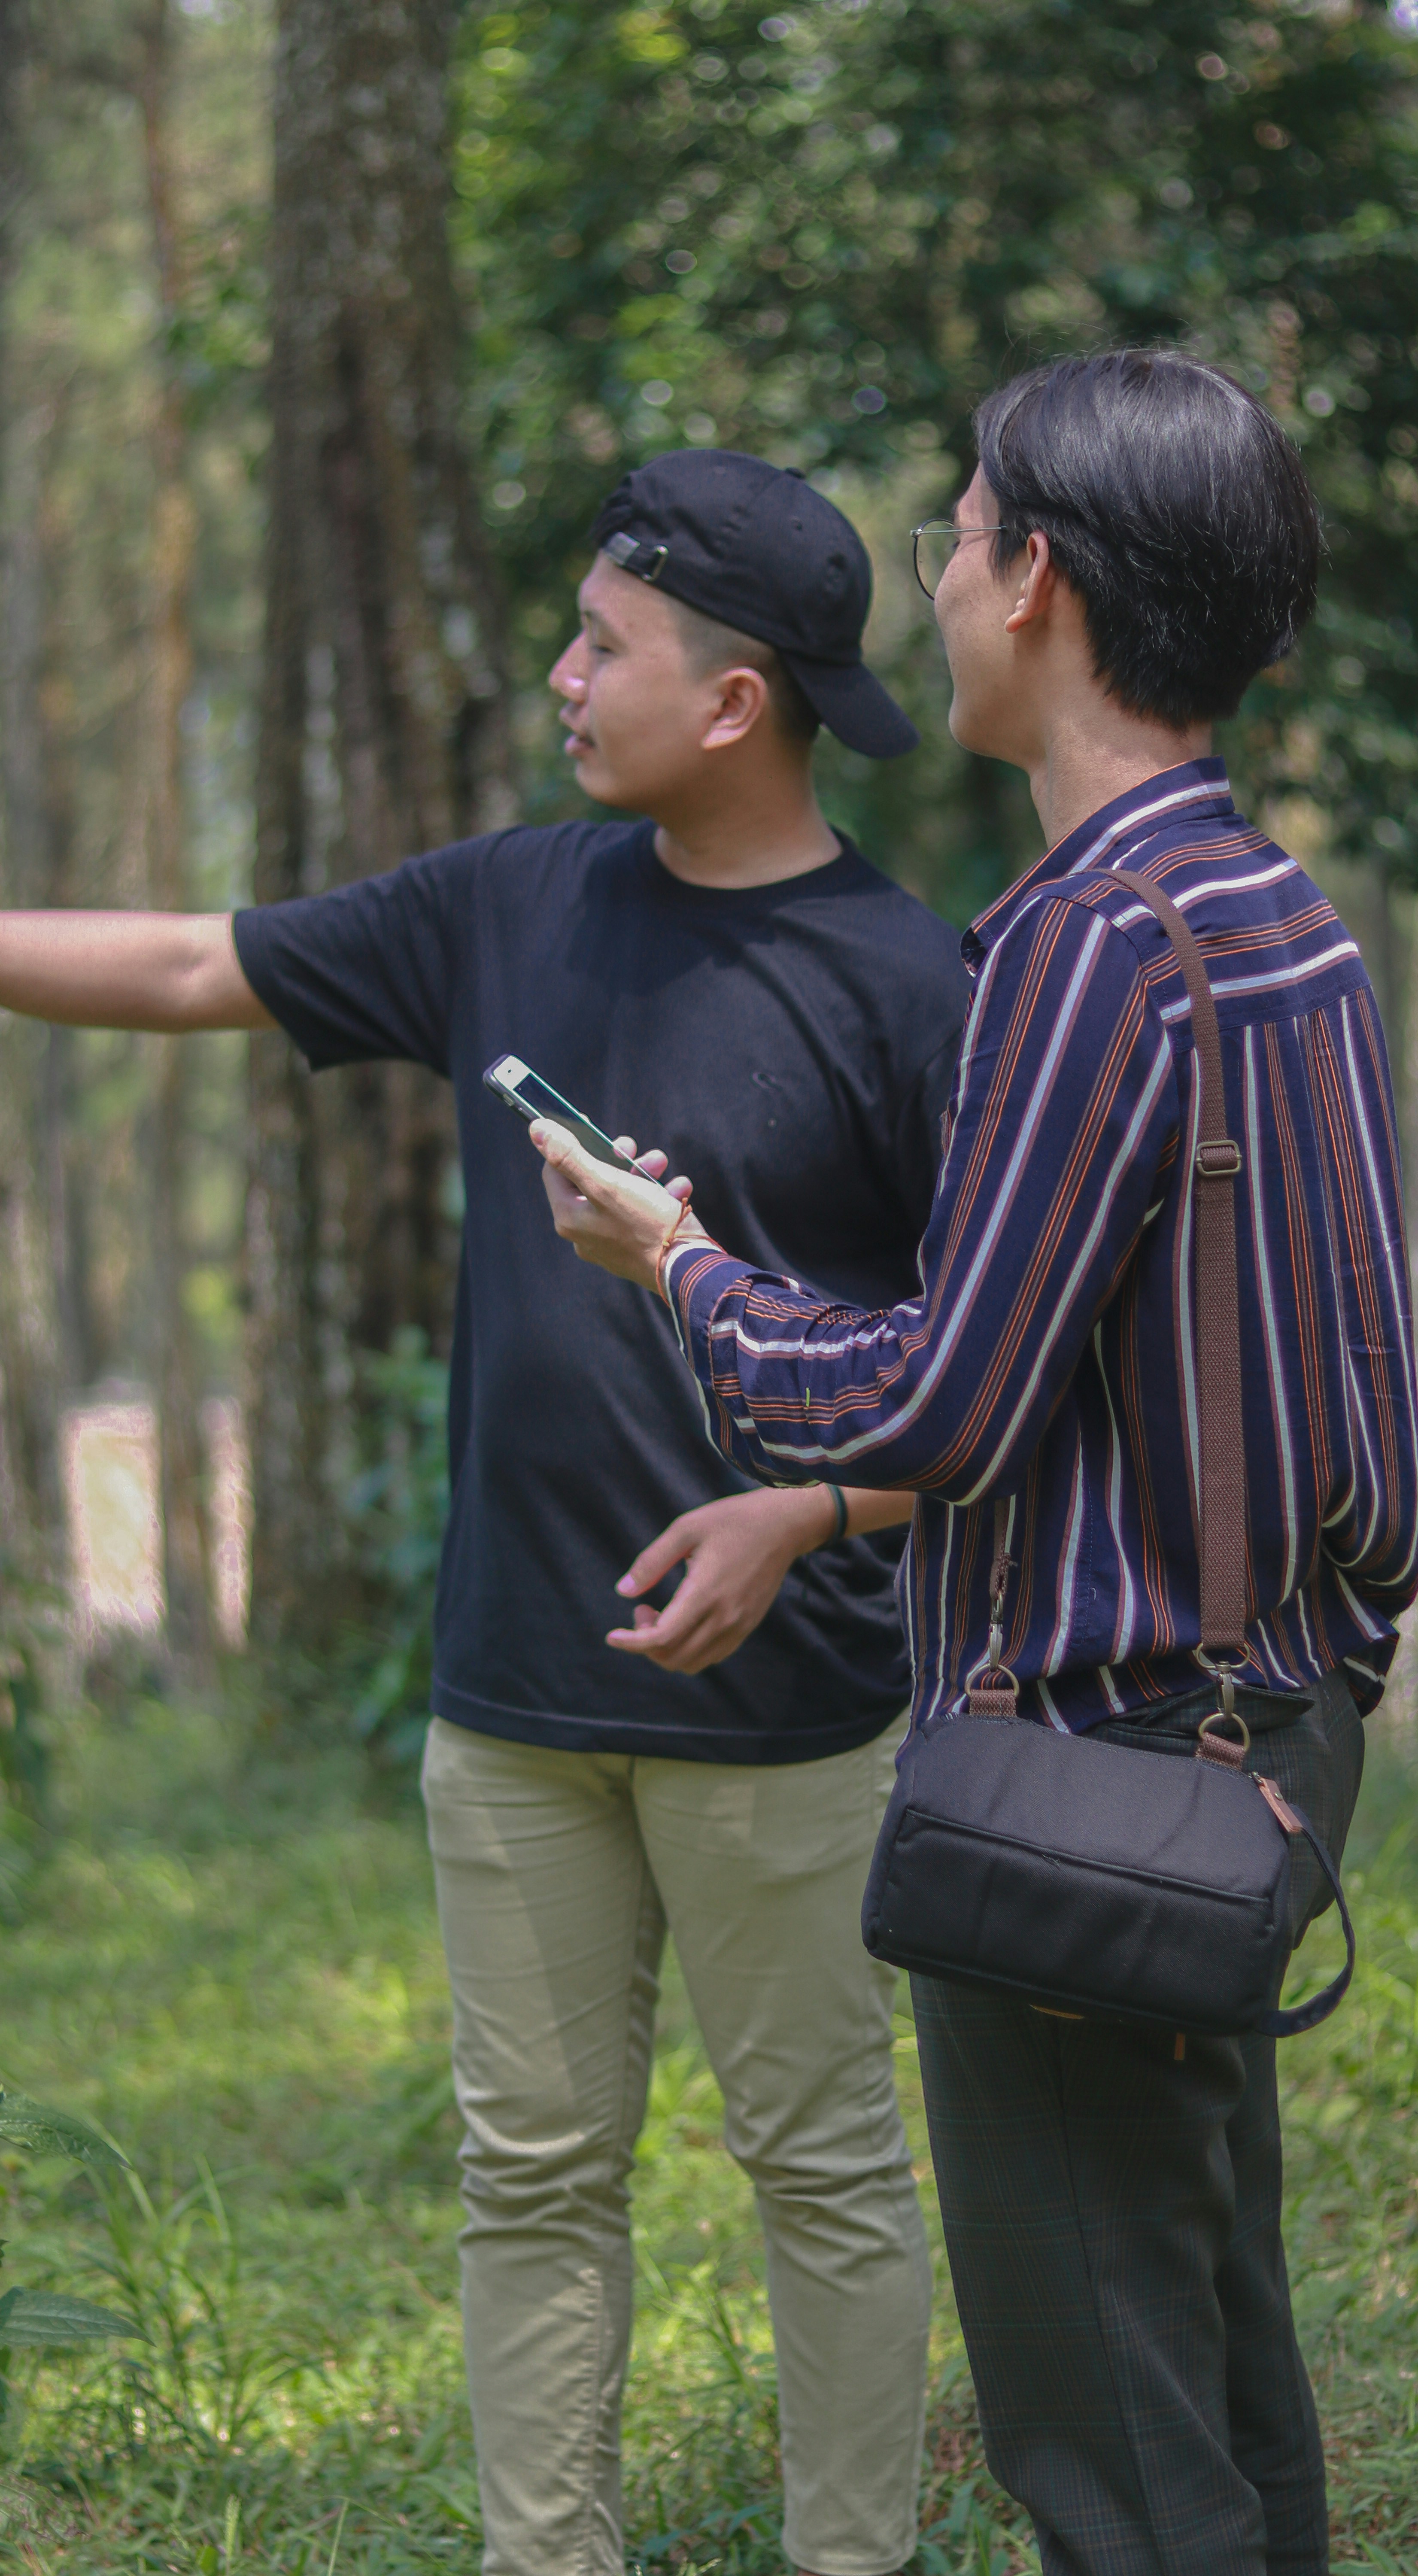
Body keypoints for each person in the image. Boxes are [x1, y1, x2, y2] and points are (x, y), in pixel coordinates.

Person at [0, 449, 973, 2576]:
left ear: (731, 704)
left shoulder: (912, 987)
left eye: (599, 645)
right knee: (531, 2173)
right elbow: (187, 967)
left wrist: (806, 1516)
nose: (558, 675)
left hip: (791, 1712)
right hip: (512, 1702)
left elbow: (985, 1391)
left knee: (820, 2169)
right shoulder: (509, 903)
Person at [529, 352, 1418, 2576]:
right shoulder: (1283, 922)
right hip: (1255, 1753)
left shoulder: (1084, 949)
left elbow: (943, 1401)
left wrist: (687, 1269)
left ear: (1040, 584)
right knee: (1215, 2353)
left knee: (1104, 2432)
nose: (933, 567)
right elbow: (1331, 1412)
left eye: (957, 526)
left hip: (1078, 1785)